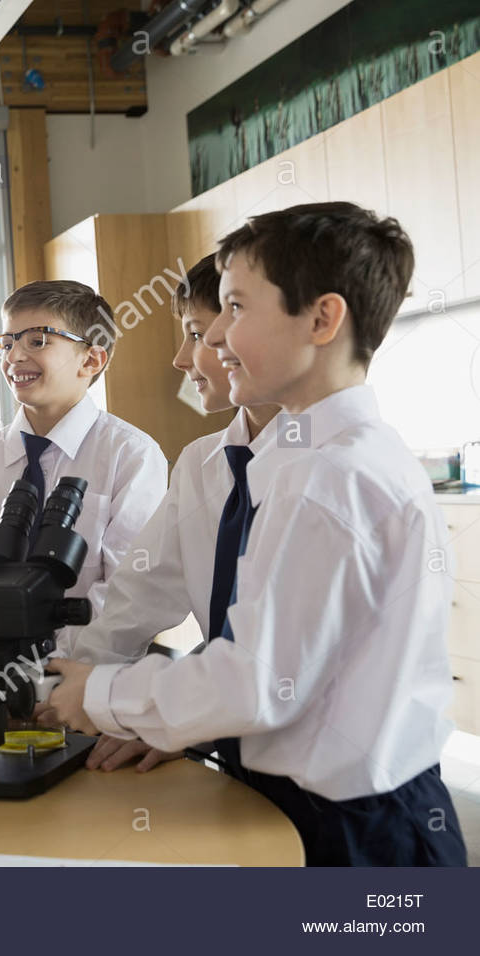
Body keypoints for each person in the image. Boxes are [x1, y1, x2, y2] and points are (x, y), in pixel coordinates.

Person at [48, 202, 467, 866]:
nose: (215, 338)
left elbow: (256, 681)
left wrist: (98, 695)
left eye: (236, 310)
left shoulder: (332, 478)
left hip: (358, 833)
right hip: (282, 795)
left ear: (323, 319)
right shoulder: (304, 462)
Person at [59, 254, 279, 772]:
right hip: (242, 759)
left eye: (198, 334)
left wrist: (165, 713)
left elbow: (274, 667)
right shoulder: (203, 464)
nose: (182, 359)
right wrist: (66, 691)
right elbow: (139, 595)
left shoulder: (327, 473)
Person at [0, 280, 166, 670]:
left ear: (91, 361)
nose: (14, 357)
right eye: (7, 343)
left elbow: (130, 591)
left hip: (89, 680)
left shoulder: (131, 456)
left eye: (38, 341)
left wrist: (50, 669)